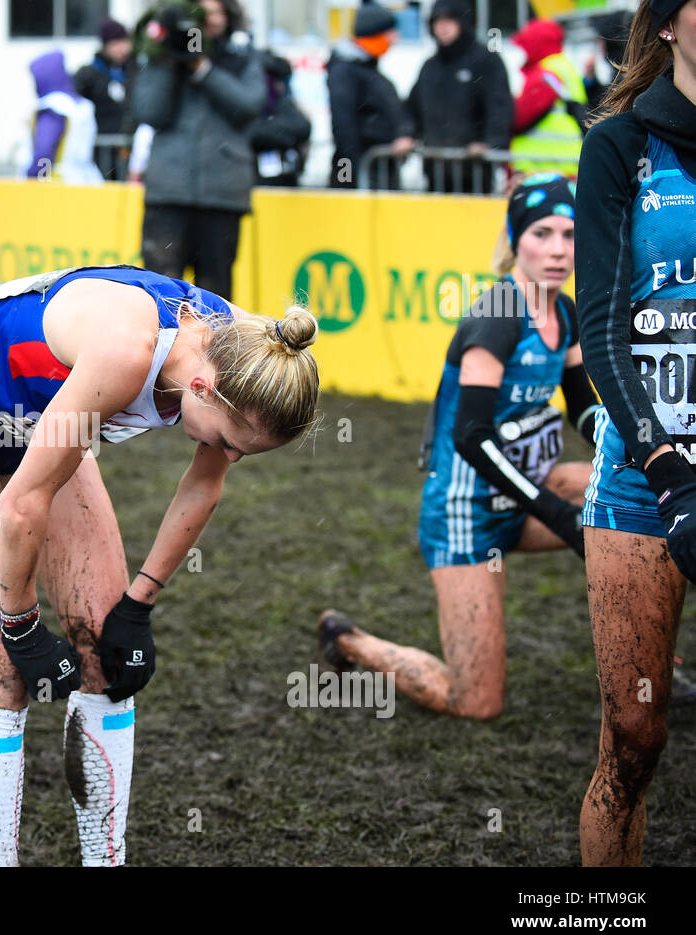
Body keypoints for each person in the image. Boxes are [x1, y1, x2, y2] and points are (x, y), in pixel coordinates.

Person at [0, 264, 320, 866]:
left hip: (46, 423)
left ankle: (105, 859)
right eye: (228, 442)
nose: (226, 456)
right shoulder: (128, 354)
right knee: (4, 667)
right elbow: (23, 503)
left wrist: (139, 604)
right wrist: (19, 622)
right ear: (201, 388)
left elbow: (202, 487)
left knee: (107, 657)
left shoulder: (253, 358)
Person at [319, 175, 598, 719]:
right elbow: (470, 437)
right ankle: (348, 640)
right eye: (543, 233)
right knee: (475, 703)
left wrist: (642, 454)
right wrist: (558, 516)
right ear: (517, 239)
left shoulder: (563, 313)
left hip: (525, 491)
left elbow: (584, 410)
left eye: (570, 234)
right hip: (465, 514)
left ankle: (657, 666)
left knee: (636, 502)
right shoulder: (499, 313)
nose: (559, 249)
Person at [575, 0, 696, 866]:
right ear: (667, 25)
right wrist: (671, 474)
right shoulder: (621, 144)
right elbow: (604, 327)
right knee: (636, 734)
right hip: (643, 477)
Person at [130, 0, 264, 300]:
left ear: (229, 16)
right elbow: (150, 111)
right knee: (160, 290)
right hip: (169, 193)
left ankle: (213, 350)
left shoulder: (242, 57)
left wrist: (203, 68)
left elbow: (248, 106)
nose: (210, 19)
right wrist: (170, 59)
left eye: (216, 11)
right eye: (202, 13)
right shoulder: (161, 57)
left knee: (215, 296)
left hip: (222, 195)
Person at [406, 0, 513, 195]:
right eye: (437, 22)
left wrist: (490, 144)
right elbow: (412, 107)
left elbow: (500, 108)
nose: (442, 27)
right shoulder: (429, 66)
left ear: (463, 23)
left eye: (449, 20)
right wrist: (406, 134)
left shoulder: (486, 60)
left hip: (475, 169)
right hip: (435, 169)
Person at [326, 1, 414, 189]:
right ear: (374, 32)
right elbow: (344, 130)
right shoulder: (345, 72)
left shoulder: (370, 71)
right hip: (364, 173)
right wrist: (350, 177)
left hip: (378, 171)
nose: (394, 38)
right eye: (389, 32)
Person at [510, 18, 588, 177]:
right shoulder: (564, 66)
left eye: (526, 45)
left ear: (536, 45)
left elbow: (519, 117)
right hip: (565, 163)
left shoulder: (546, 73)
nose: (523, 52)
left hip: (543, 166)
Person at [25, 50, 103, 184]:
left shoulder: (54, 107)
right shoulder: (80, 104)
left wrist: (36, 178)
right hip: (85, 180)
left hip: (58, 187)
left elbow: (44, 152)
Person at [73, 18, 133, 181]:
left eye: (124, 42)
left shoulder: (133, 71)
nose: (122, 48)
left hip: (126, 152)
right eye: (116, 43)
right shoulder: (87, 75)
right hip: (97, 153)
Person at [248, 49, 310, 188]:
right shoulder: (248, 100)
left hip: (283, 182)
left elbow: (302, 127)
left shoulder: (282, 102)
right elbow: (250, 133)